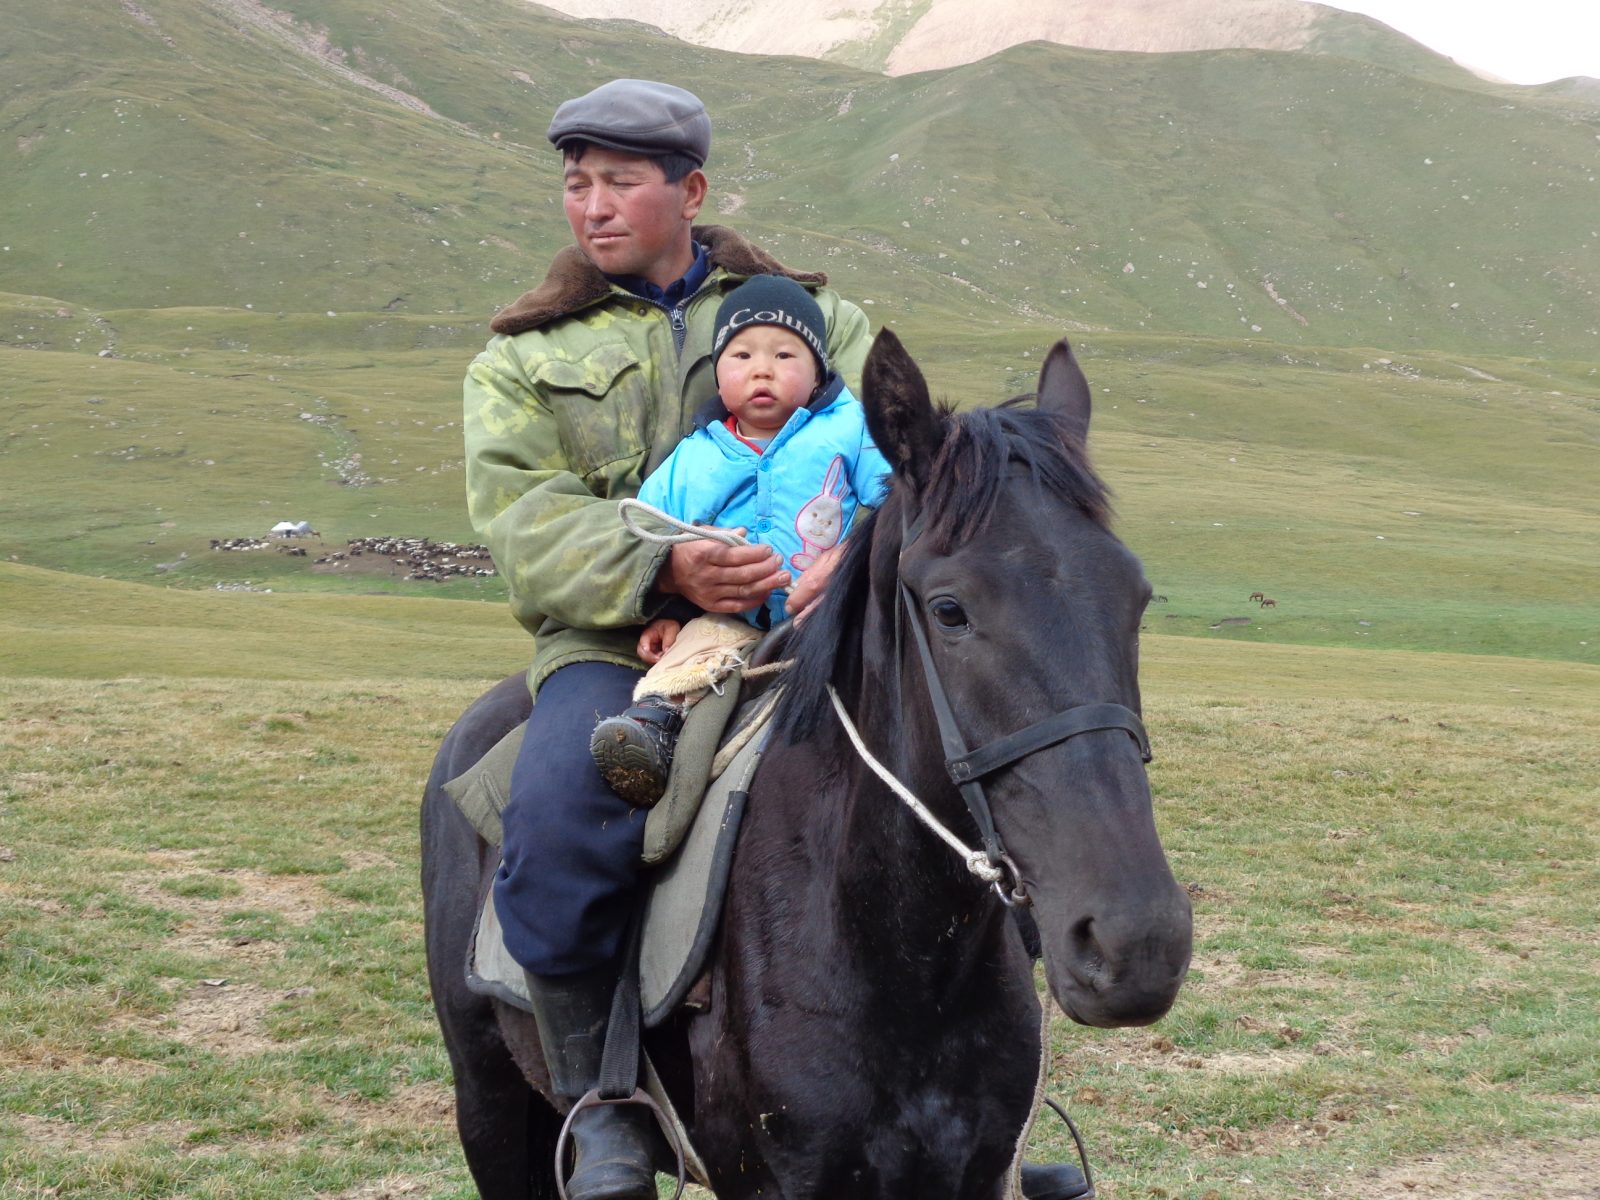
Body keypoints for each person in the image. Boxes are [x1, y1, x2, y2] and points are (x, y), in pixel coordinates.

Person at [462, 78, 1093, 1200]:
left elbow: (905, 461)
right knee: (563, 818)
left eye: (619, 182)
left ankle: (986, 1109)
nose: (591, 205)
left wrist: (859, 550)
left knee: (981, 786)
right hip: (631, 644)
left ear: (690, 191)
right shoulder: (521, 357)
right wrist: (662, 567)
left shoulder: (821, 319)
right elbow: (522, 522)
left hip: (821, 629)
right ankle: (604, 1101)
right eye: (577, 183)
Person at [589, 274, 892, 807]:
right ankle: (650, 732)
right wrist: (669, 611)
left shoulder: (851, 428)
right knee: (694, 655)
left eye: (784, 355)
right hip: (729, 614)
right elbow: (656, 537)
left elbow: (899, 491)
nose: (762, 370)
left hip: (833, 605)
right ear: (718, 373)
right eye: (742, 355)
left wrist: (857, 559)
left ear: (818, 370)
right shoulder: (694, 456)